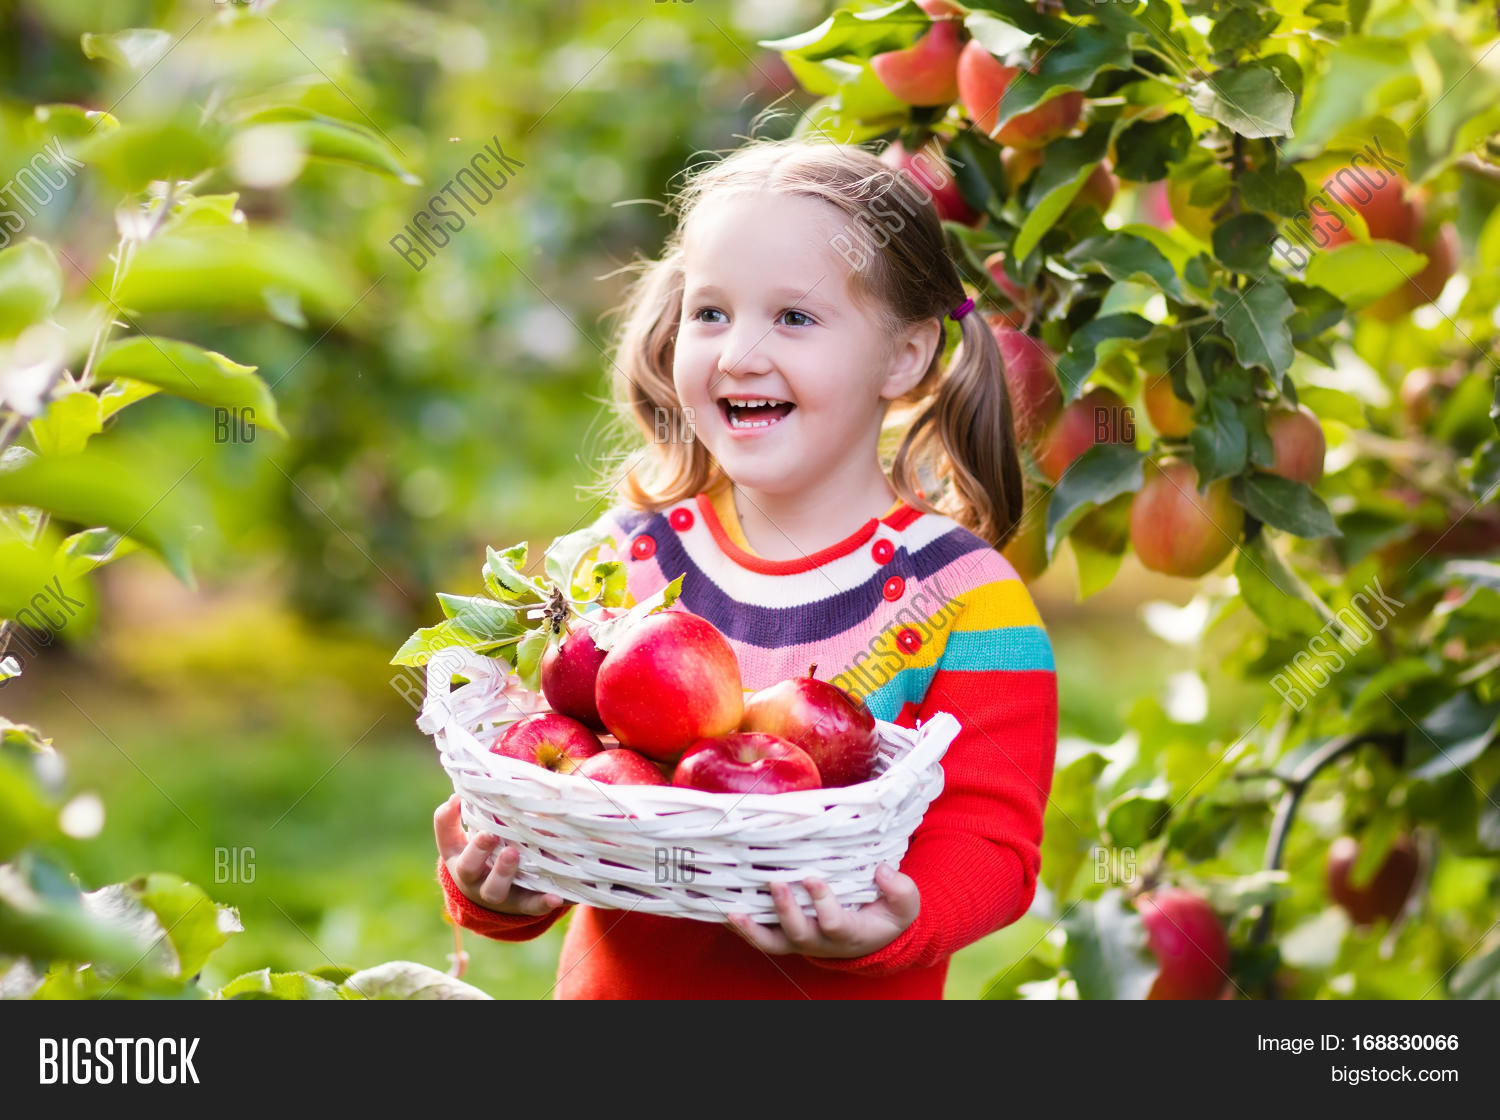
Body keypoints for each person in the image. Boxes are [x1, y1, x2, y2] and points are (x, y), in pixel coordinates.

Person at [432, 137, 1058, 999]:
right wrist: (496, 886)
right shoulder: (623, 568)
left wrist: (903, 918)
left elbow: (992, 840)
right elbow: (564, 779)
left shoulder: (965, 597)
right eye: (711, 313)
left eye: (794, 318)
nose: (737, 355)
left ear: (906, 355)